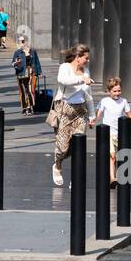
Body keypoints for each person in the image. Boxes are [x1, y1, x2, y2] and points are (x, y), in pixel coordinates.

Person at [50, 43, 93, 187]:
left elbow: (89, 95)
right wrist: (81, 79)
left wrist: (92, 115)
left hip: (80, 112)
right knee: (63, 147)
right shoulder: (65, 68)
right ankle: (57, 165)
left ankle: (75, 177)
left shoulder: (86, 71)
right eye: (85, 58)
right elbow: (63, 80)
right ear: (77, 57)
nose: (87, 61)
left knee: (78, 146)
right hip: (65, 111)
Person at [92, 76, 131, 189]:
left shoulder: (124, 101)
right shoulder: (104, 101)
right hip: (108, 132)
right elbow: (98, 114)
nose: (117, 93)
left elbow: (129, 114)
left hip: (120, 133)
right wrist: (93, 121)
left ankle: (114, 176)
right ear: (109, 91)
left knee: (119, 156)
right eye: (114, 91)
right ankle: (112, 178)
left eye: (119, 90)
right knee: (112, 156)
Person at [11, 36, 41, 115]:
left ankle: (30, 107)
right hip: (21, 73)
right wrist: (16, 63)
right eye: (20, 41)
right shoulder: (17, 52)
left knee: (31, 90)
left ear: (27, 42)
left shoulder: (33, 51)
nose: (22, 43)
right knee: (23, 91)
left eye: (23, 41)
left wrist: (39, 72)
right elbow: (13, 63)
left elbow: (37, 62)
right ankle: (24, 107)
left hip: (31, 73)